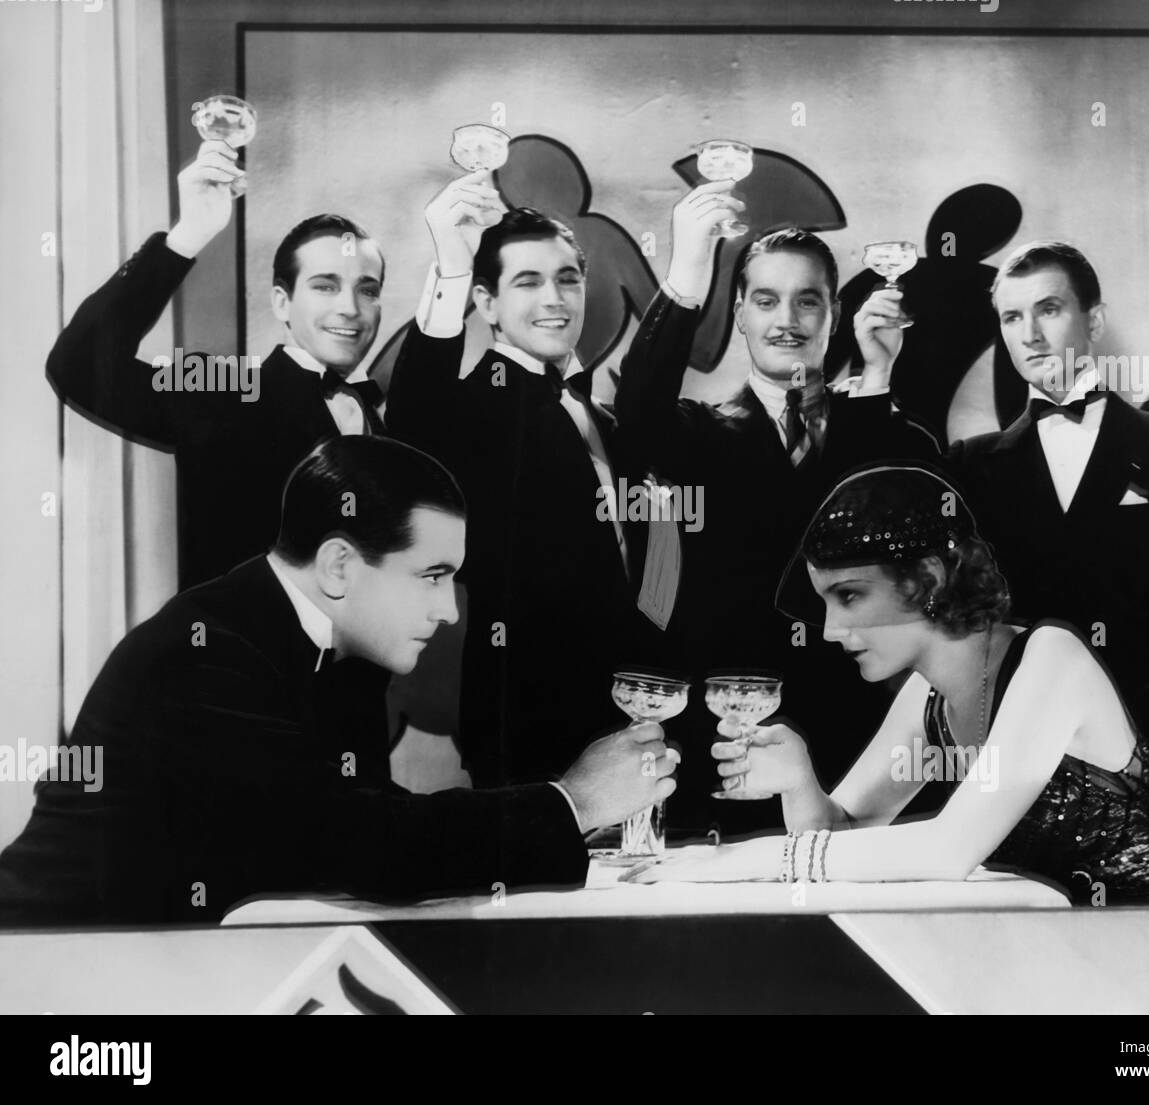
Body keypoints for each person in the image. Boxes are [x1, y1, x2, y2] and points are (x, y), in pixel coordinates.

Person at [0, 436, 676, 926]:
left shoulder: (339, 646)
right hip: (53, 968)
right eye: (433, 576)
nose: (447, 610)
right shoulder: (202, 652)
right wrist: (575, 801)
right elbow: (368, 847)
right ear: (339, 566)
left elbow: (367, 831)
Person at [635, 466, 1149, 904]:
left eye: (850, 596)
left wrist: (741, 861)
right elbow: (845, 834)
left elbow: (948, 849)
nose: (831, 630)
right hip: (1037, 952)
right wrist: (799, 785)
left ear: (926, 579)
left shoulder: (1051, 657)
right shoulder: (925, 696)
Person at [613, 182, 937, 832]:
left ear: (835, 316)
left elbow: (893, 510)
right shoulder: (693, 432)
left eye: (807, 300)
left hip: (864, 740)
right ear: (737, 311)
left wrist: (874, 385)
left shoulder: (890, 434)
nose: (785, 319)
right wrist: (686, 273)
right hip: (725, 748)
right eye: (766, 299)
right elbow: (637, 411)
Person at [946, 241, 1149, 824]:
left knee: (1146, 904)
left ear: (1093, 319)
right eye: (1012, 318)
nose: (1030, 334)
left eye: (1049, 309)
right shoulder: (970, 464)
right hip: (1014, 732)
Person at [385, 175, 666, 788]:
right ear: (486, 304)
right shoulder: (471, 407)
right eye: (528, 281)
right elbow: (411, 425)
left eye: (568, 278)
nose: (555, 298)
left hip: (628, 713)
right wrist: (452, 267)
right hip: (525, 720)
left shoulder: (595, 410)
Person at [47, 138, 389, 590]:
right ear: (282, 303)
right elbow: (80, 365)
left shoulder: (378, 417)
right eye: (325, 286)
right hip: (236, 659)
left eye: (367, 289)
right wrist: (187, 236)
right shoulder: (227, 385)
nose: (350, 307)